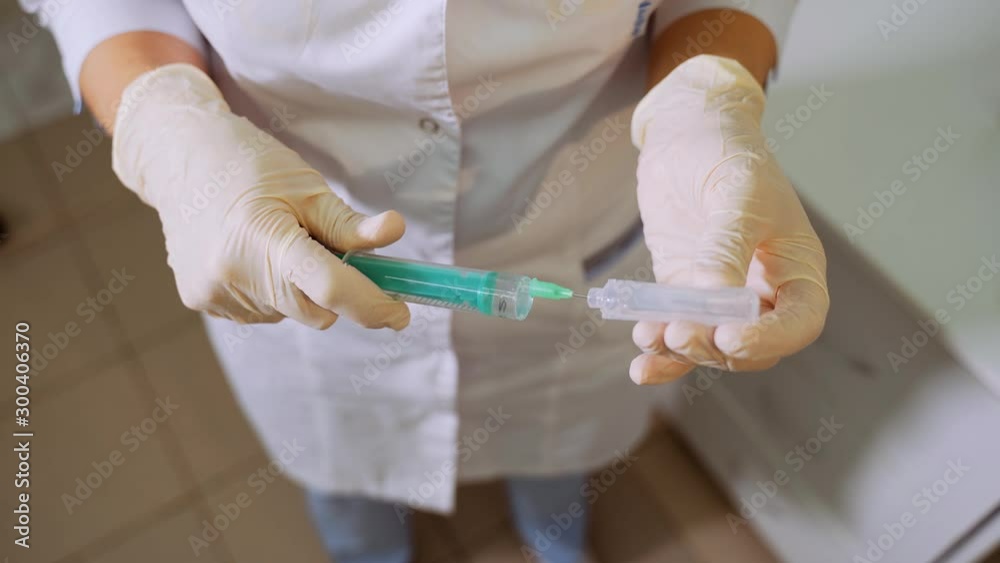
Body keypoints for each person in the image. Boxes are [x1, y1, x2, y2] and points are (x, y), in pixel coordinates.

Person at [25, 0, 828, 561]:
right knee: (338, 454)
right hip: (291, 225)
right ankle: (364, 546)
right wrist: (167, 124)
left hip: (583, 211)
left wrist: (707, 98)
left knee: (559, 442)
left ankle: (552, 524)